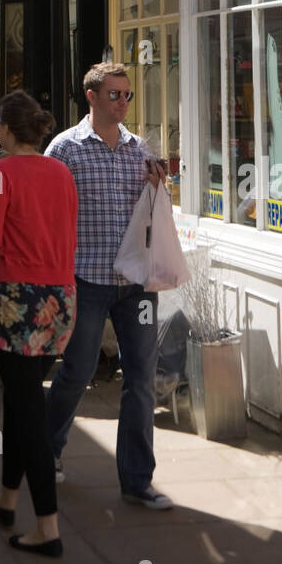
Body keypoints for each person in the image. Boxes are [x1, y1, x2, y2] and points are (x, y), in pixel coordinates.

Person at [44, 62, 171, 508]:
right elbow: (46, 212)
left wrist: (160, 188)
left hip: (136, 283)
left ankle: (138, 481)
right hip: (86, 278)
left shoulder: (141, 151)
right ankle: (47, 452)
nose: (122, 103)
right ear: (91, 97)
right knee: (77, 371)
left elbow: (153, 212)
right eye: (114, 94)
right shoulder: (65, 149)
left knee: (140, 379)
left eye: (127, 95)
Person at [0, 92, 78, 559]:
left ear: (4, 130)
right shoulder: (61, 172)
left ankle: (47, 528)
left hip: (17, 296)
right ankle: (7, 497)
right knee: (21, 401)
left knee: (28, 411)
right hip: (59, 297)